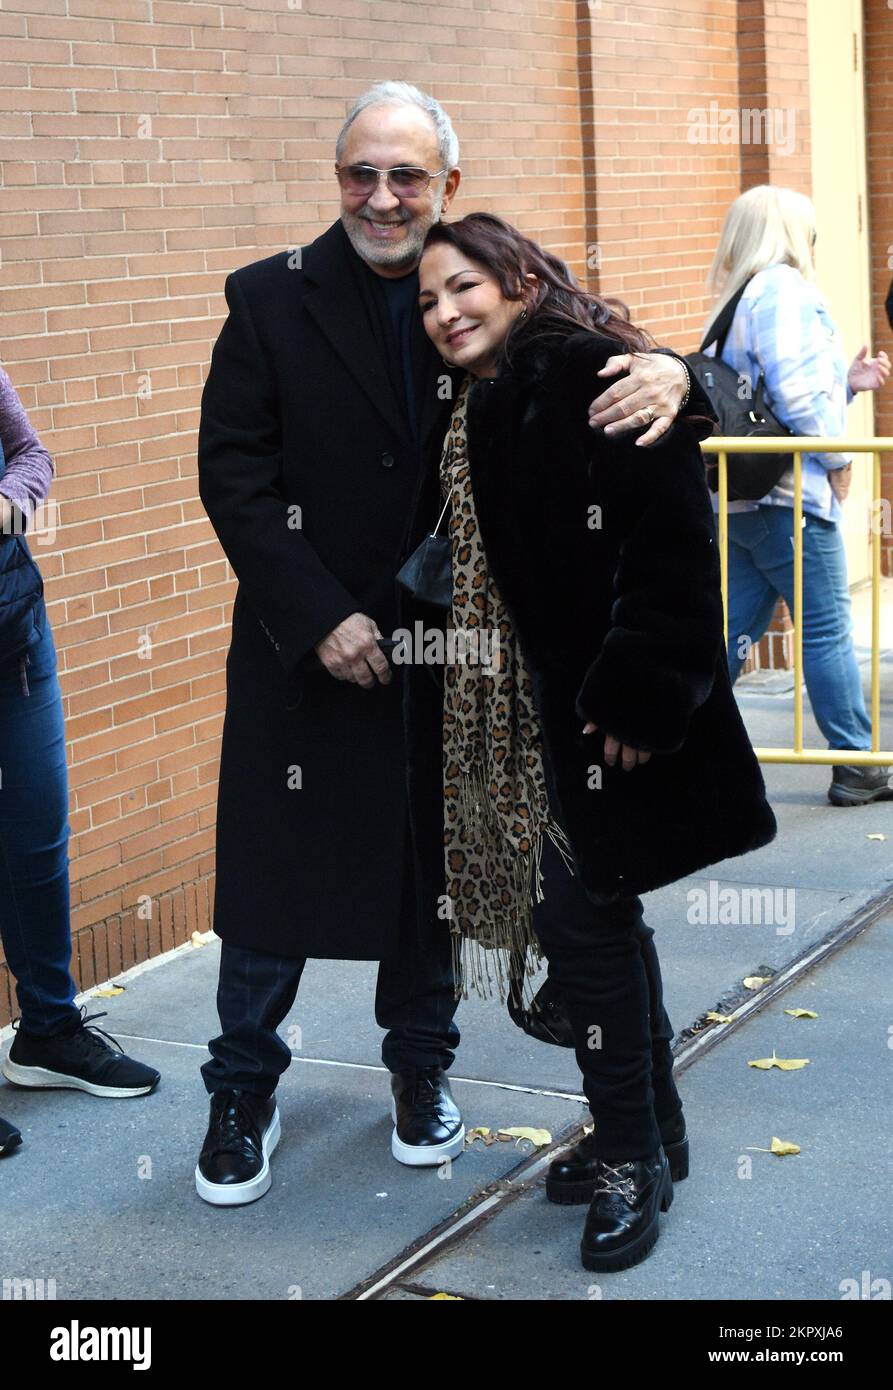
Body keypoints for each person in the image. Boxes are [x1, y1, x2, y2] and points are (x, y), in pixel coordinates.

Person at [193, 81, 711, 1206]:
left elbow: (611, 355)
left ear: (447, 187)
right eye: (359, 174)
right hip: (306, 649)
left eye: (406, 177)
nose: (381, 197)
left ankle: (421, 1074)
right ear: (337, 178)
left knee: (421, 880)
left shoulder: (476, 288)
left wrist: (686, 374)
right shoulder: (265, 300)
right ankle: (241, 1090)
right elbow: (233, 473)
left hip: (447, 662)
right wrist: (317, 613)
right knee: (272, 882)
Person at [413, 212, 777, 1272]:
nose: (443, 312)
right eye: (428, 300)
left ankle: (625, 1154)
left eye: (462, 288)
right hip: (527, 714)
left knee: (580, 929)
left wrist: (635, 695)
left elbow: (668, 539)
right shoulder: (491, 392)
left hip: (592, 717)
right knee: (599, 918)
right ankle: (648, 1131)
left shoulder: (580, 372)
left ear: (520, 279)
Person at [0, 367, 160, 1159]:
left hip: (14, 643)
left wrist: (9, 499)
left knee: (35, 840)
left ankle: (49, 1033)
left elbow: (31, 455)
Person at [705, 185, 891, 806]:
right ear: (791, 235)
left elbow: (763, 394)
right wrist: (839, 460)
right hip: (788, 497)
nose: (813, 245)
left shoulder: (736, 300)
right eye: (809, 232)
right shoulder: (785, 290)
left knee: (732, 630)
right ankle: (858, 763)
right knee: (828, 629)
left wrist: (848, 382)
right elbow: (798, 400)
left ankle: (675, 740)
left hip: (745, 499)